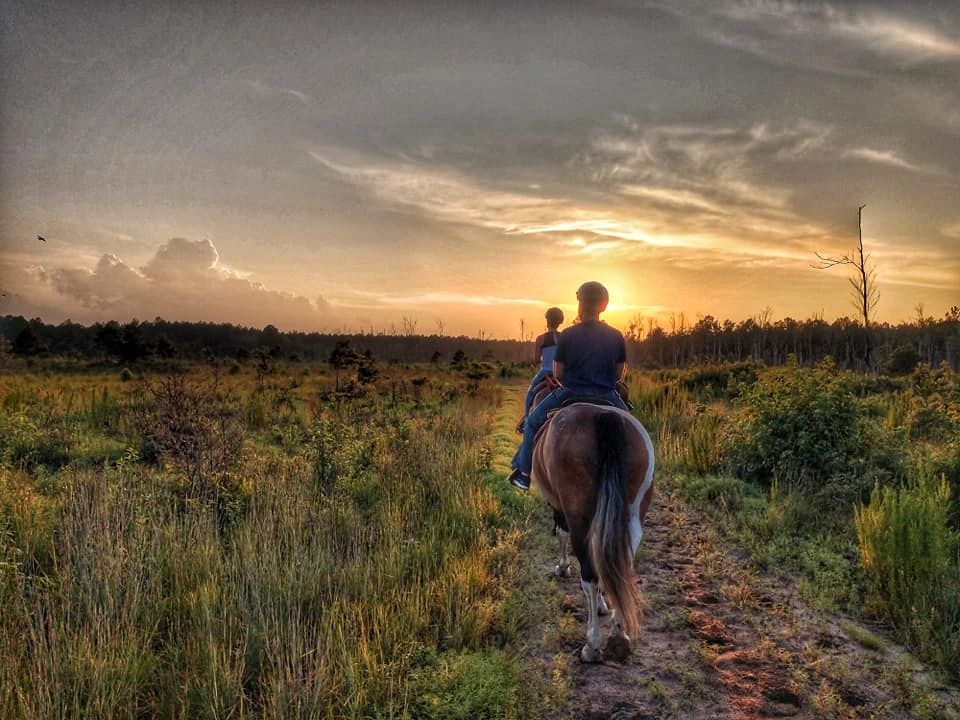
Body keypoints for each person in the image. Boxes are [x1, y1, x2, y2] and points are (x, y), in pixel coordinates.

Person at [508, 281, 630, 491]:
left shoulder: (569, 335)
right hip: (607, 394)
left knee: (533, 421)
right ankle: (631, 476)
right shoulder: (616, 335)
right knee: (632, 428)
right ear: (604, 306)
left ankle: (524, 472)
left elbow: (558, 373)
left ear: (580, 305)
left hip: (571, 392)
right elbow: (620, 374)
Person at [517, 307, 565, 431]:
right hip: (562, 374)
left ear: (547, 320)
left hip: (545, 372)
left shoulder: (541, 339)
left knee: (530, 393)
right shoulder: (564, 337)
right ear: (560, 322)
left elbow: (537, 359)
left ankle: (527, 419)